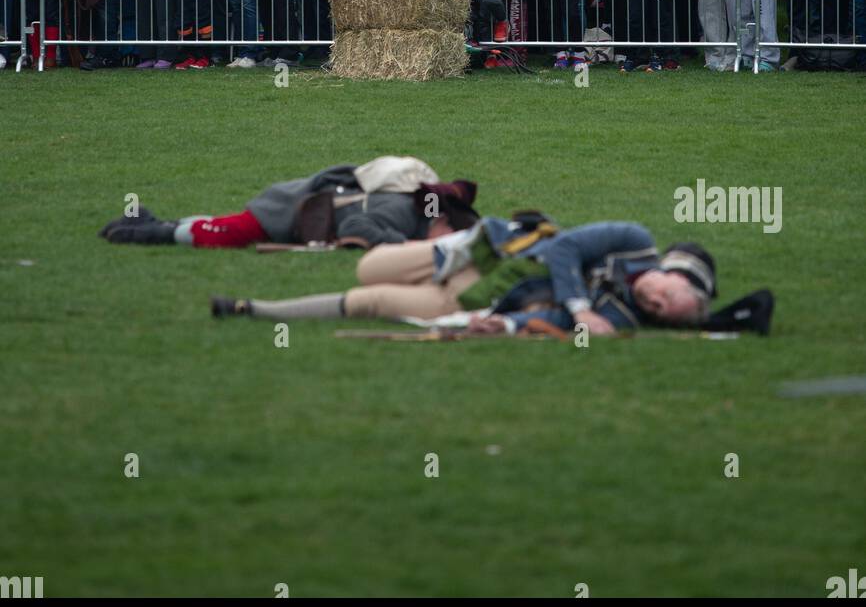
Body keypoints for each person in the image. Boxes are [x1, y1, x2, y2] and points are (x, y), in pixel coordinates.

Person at [206, 220, 772, 340]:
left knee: (369, 297)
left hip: (479, 296)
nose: (653, 300)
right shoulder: (633, 239)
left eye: (661, 312)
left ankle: (256, 309)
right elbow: (568, 246)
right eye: (665, 295)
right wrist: (579, 306)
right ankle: (446, 236)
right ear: (676, 273)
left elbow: (538, 319)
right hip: (481, 257)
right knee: (368, 264)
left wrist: (499, 324)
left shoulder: (621, 319)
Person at [99, 156, 478, 248]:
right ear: (441, 222)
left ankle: (151, 220)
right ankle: (151, 233)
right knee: (228, 232)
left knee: (229, 223)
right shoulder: (402, 211)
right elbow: (354, 228)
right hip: (292, 210)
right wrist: (405, 248)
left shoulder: (414, 210)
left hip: (301, 205)